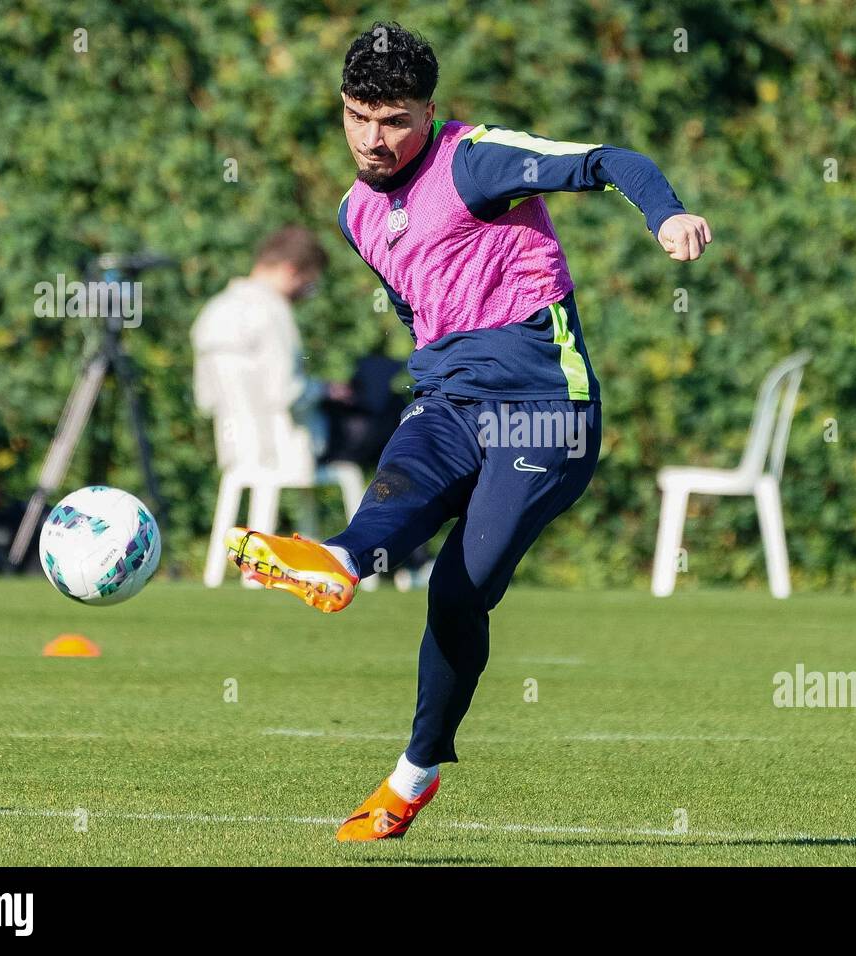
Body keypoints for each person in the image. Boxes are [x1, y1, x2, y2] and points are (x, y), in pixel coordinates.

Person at [225, 22, 710, 841]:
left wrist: (666, 216)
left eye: (395, 120)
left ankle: (412, 778)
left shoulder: (476, 159)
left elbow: (607, 160)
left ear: (430, 112)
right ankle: (339, 561)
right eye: (356, 116)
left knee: (457, 589)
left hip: (546, 410)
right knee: (395, 495)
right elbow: (420, 302)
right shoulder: (352, 214)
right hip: (446, 397)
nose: (373, 139)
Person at [191, 226, 351, 461]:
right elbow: (286, 393)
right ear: (291, 270)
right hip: (288, 447)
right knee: (384, 424)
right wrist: (325, 389)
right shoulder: (274, 311)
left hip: (233, 450)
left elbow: (205, 399)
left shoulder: (213, 310)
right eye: (308, 284)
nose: (307, 294)